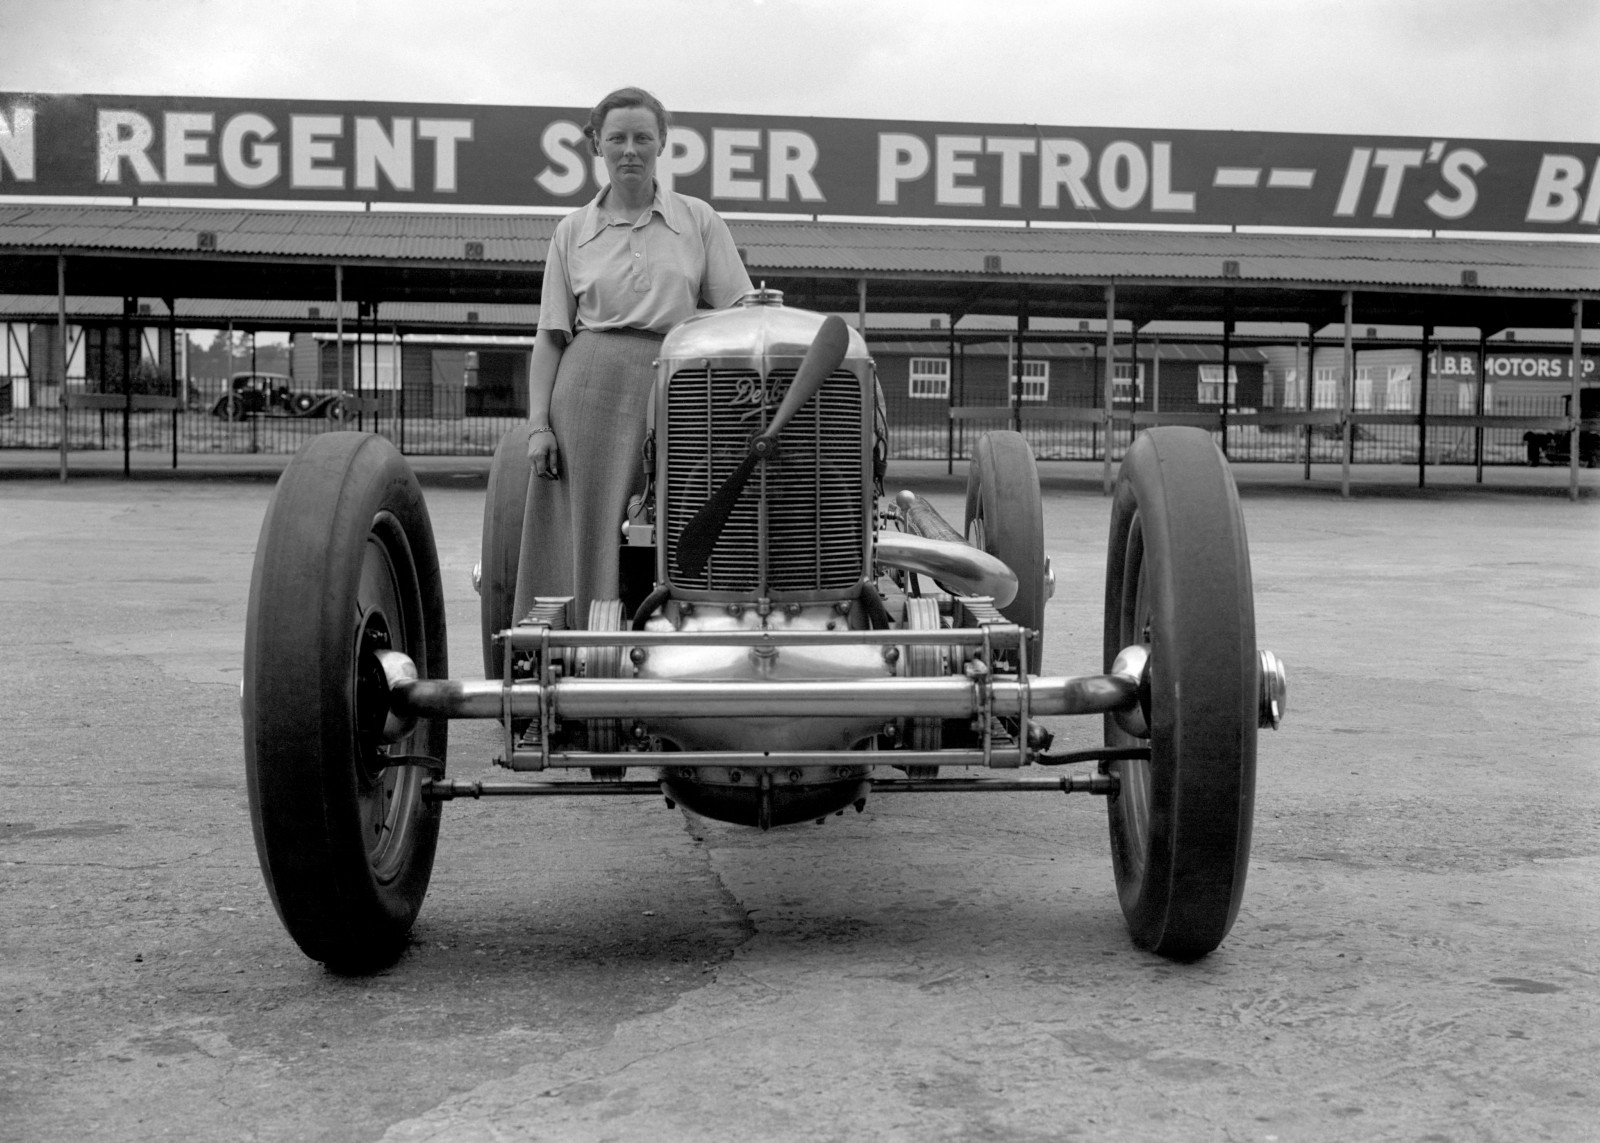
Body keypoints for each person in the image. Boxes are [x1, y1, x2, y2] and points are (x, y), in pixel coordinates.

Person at [515, 87, 753, 626]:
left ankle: (694, 630)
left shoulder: (697, 219)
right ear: (597, 143)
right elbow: (551, 335)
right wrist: (538, 427)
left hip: (682, 382)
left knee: (689, 510)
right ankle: (580, 644)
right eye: (617, 137)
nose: (630, 150)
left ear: (662, 144)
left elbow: (740, 309)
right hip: (590, 390)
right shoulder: (571, 231)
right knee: (593, 524)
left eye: (643, 137)